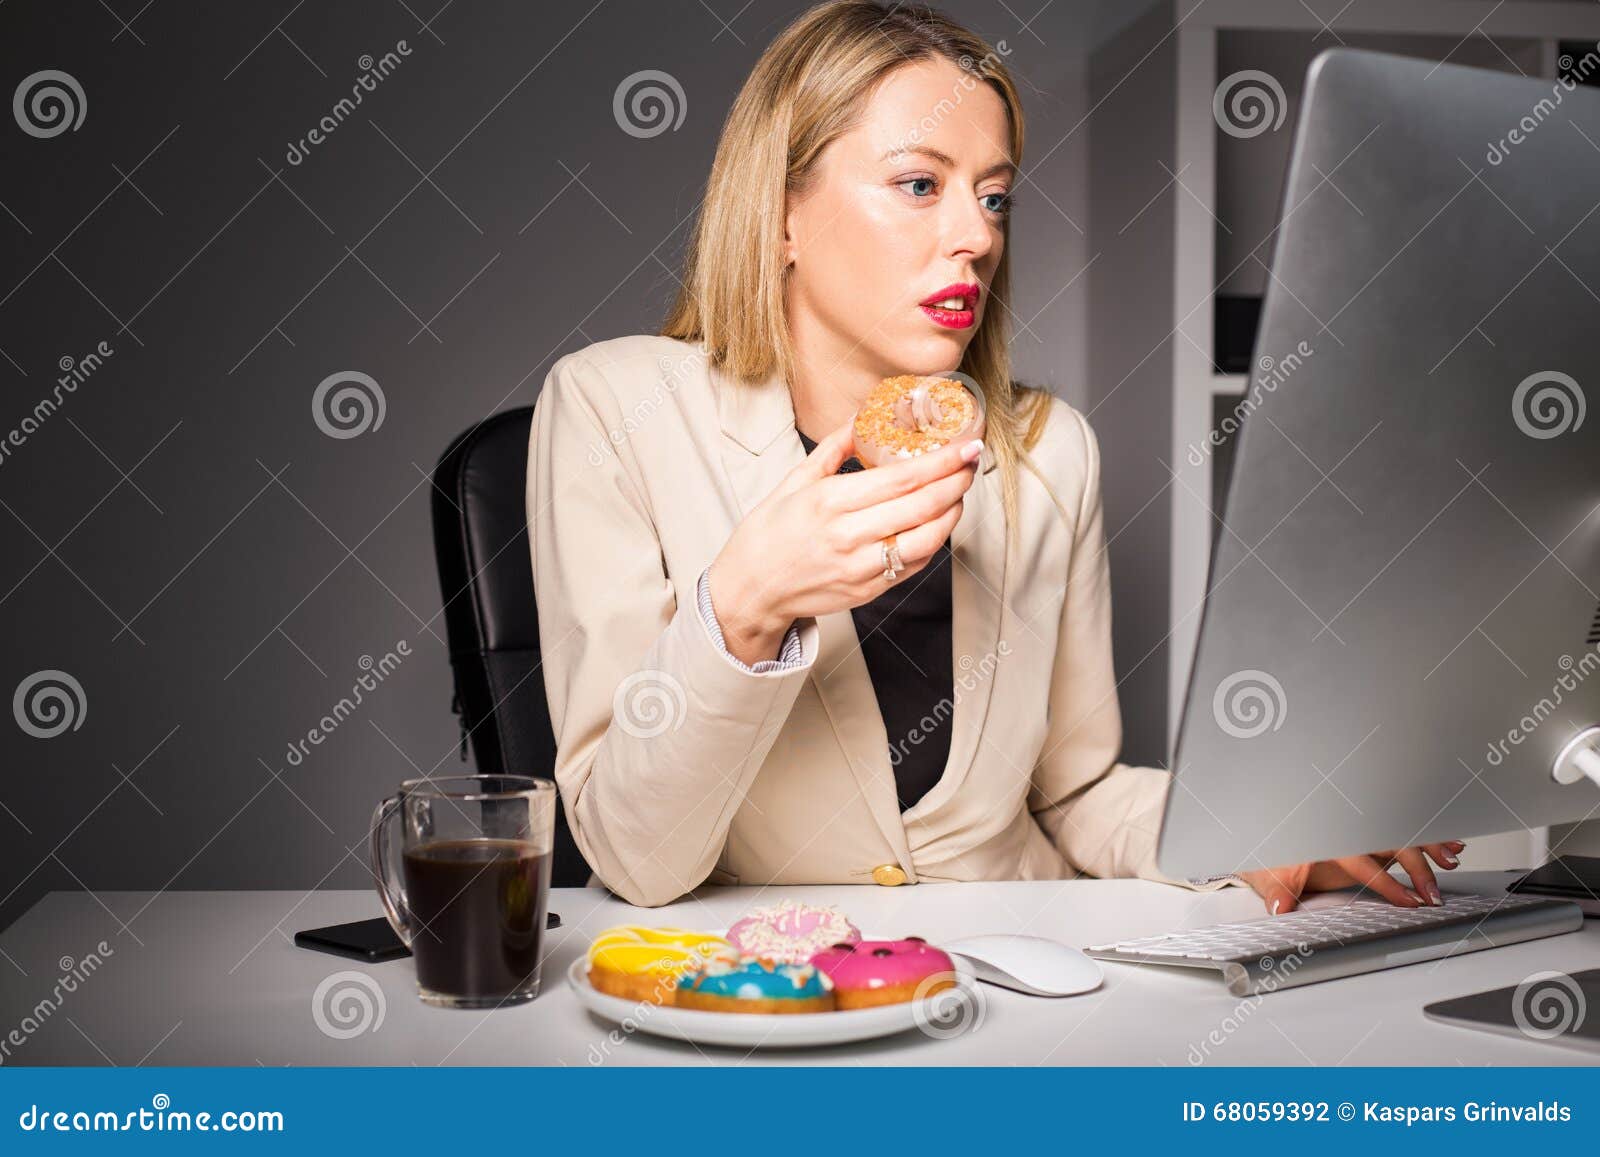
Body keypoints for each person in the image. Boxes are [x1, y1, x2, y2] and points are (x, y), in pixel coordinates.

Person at [527, 0, 1462, 910]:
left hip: (1023, 992)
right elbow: (636, 858)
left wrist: (1262, 828)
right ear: (781, 216)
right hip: (772, 1007)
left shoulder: (1051, 452)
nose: (977, 237)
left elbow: (1080, 795)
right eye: (920, 184)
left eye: (994, 195)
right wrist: (745, 603)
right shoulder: (614, 409)